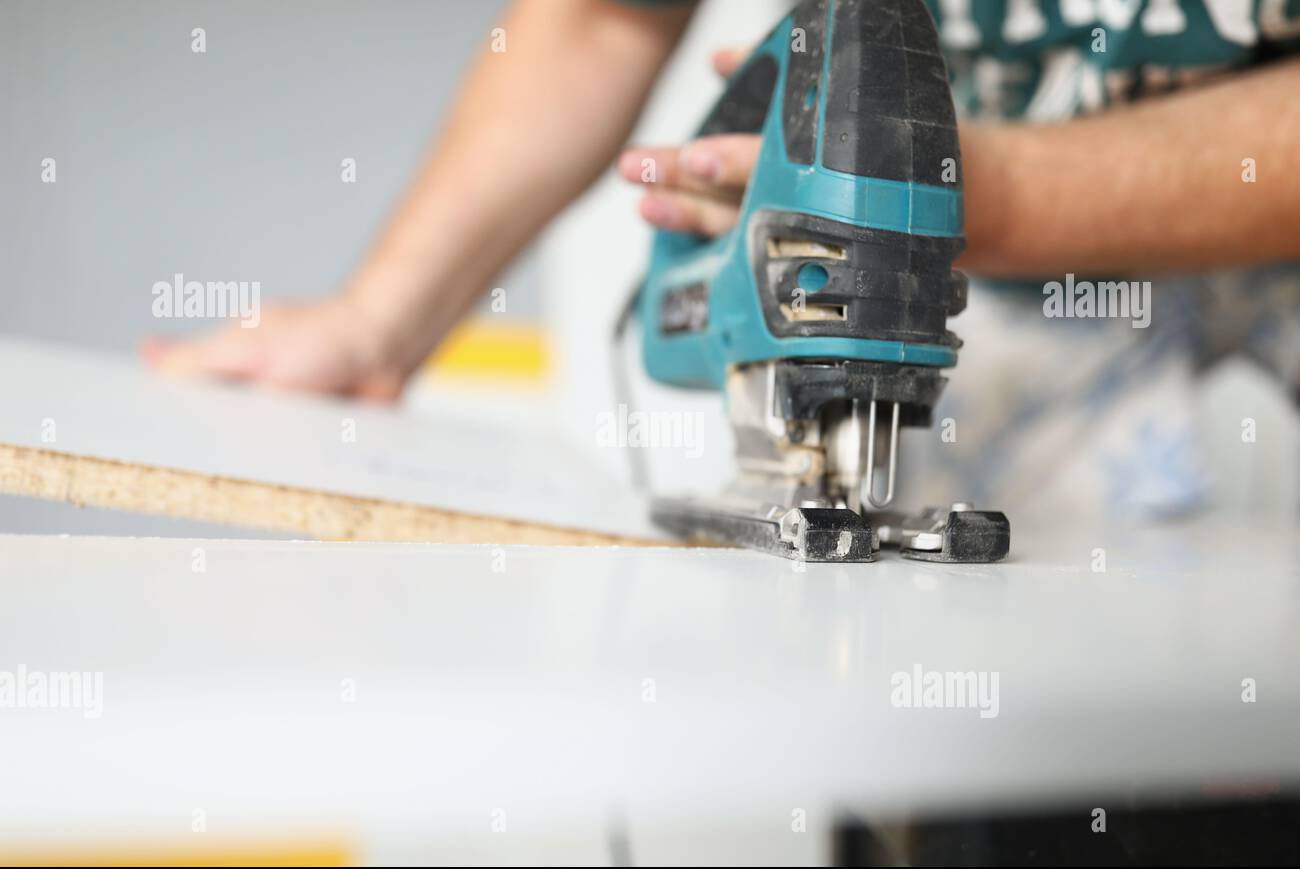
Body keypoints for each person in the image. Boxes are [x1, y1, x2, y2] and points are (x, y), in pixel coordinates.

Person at [143, 0, 1300, 513]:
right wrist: (377, 319)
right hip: (982, 241)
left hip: (1045, 193)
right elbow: (603, 14)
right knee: (968, 695)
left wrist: (961, 191)